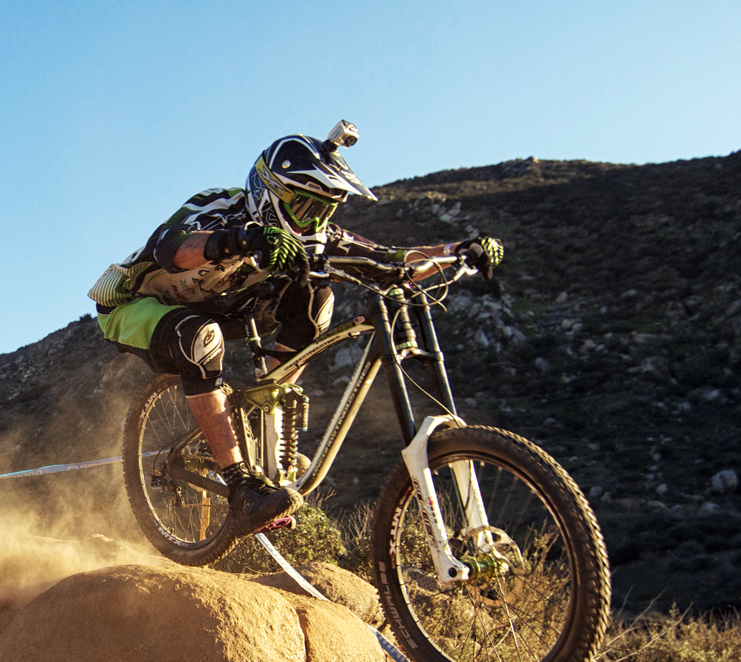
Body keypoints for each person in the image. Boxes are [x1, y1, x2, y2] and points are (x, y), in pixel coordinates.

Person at [89, 121, 502, 538]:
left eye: (324, 210)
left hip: (220, 302)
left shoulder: (313, 235)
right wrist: (241, 239)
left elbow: (390, 258)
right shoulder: (219, 205)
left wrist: (457, 251)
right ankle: (242, 491)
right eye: (305, 208)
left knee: (316, 297)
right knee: (200, 337)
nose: (313, 222)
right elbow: (170, 247)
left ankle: (266, 424)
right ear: (271, 193)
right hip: (138, 304)